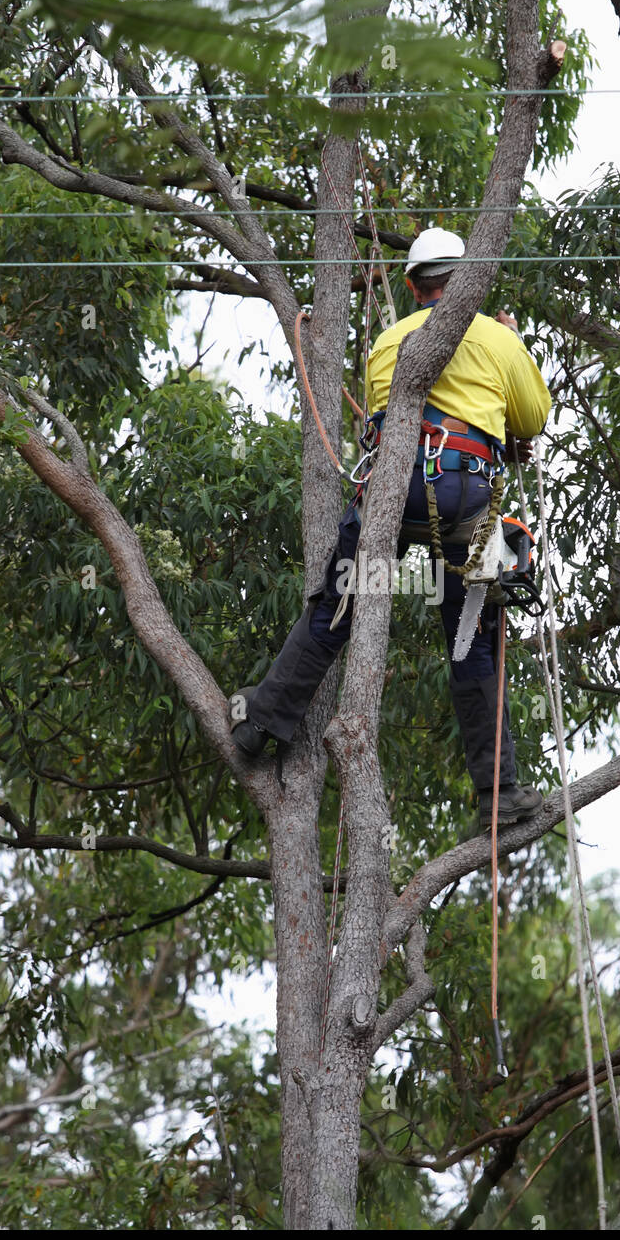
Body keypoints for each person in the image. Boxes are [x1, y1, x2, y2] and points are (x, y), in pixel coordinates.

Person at [230, 228, 552, 828]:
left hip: (392, 496)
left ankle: (262, 722)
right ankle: (499, 793)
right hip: (467, 500)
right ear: (469, 281)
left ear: (412, 285)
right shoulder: (495, 339)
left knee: (337, 604)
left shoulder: (386, 342)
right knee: (471, 640)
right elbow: (532, 416)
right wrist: (512, 344)